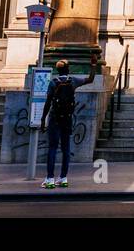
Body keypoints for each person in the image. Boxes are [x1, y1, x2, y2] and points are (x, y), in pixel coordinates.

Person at [38, 51, 99, 189]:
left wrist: (43, 120)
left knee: (52, 148)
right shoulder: (73, 81)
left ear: (58, 70)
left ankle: (49, 179)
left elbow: (48, 103)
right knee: (66, 149)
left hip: (55, 119)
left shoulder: (53, 83)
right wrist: (93, 65)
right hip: (67, 119)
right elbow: (90, 79)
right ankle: (64, 178)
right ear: (68, 69)